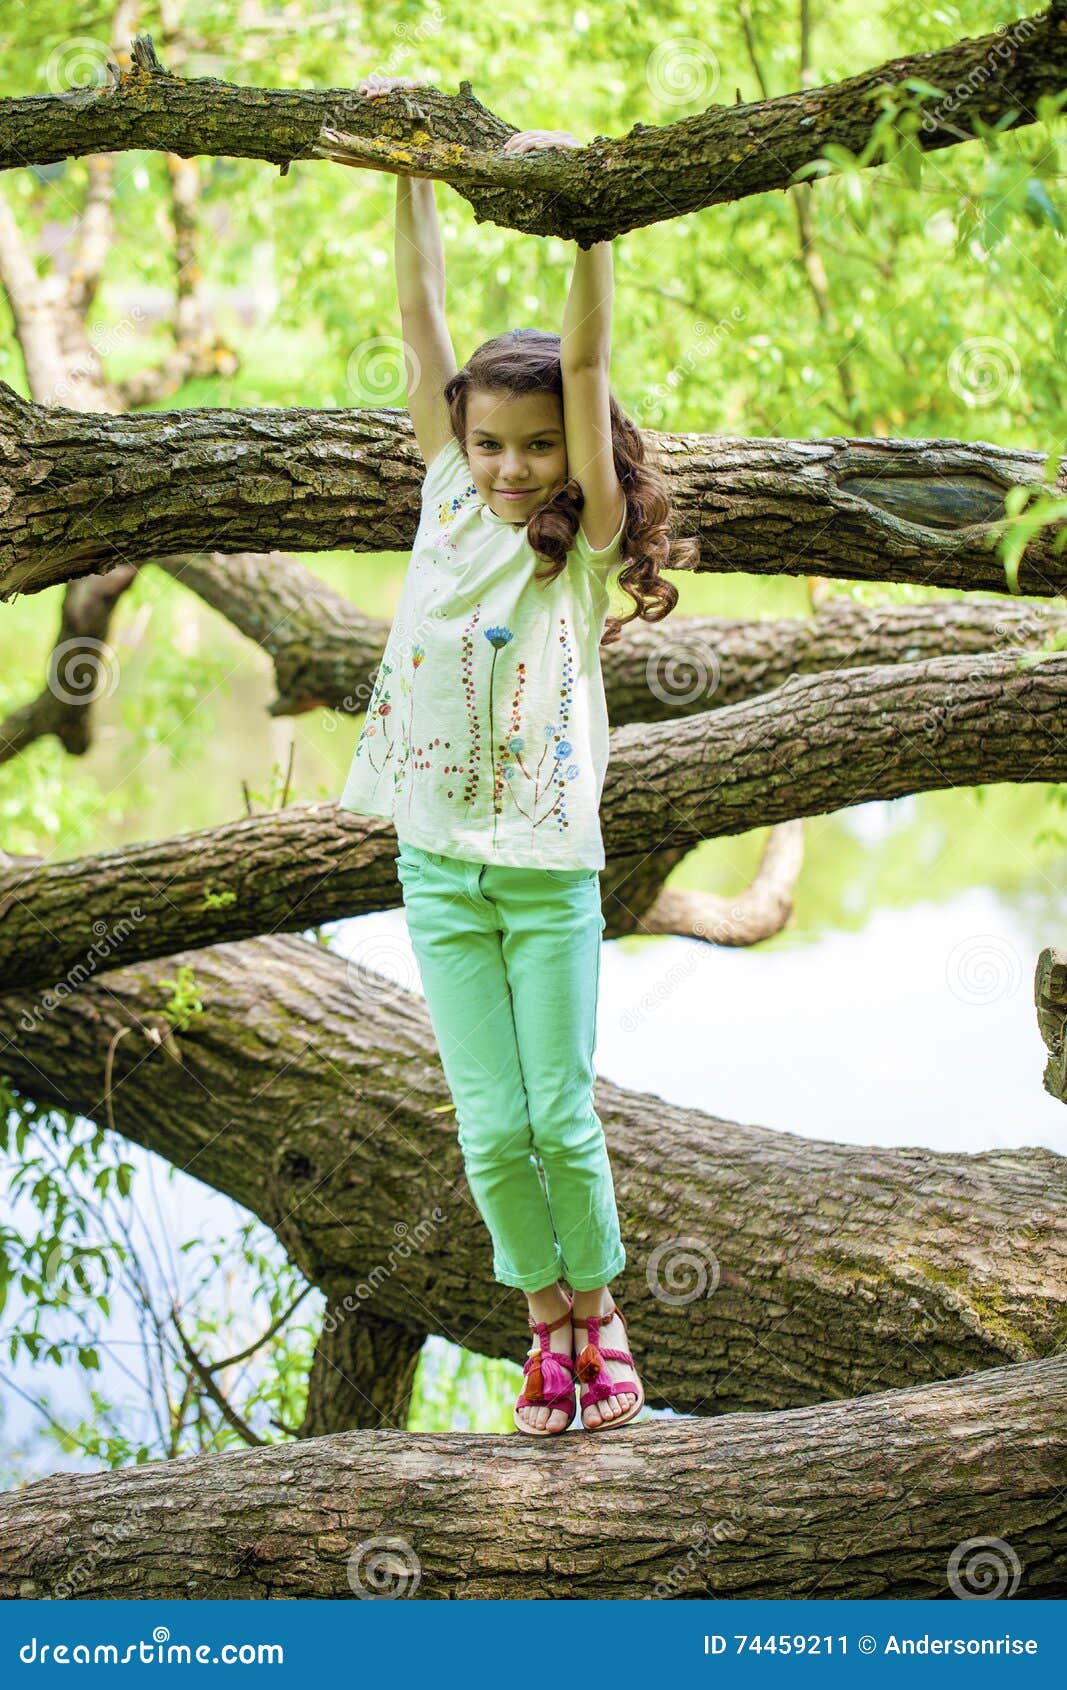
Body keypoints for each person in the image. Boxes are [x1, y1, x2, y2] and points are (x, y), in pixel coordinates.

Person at [339, 74, 695, 1434]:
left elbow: (591, 365)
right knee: (489, 1128)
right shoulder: (444, 482)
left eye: (532, 445)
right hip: (438, 866)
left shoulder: (581, 531)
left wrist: (592, 227)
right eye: (489, 440)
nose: (503, 466)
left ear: (574, 453)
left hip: (545, 874)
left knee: (560, 1115)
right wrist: (407, 169)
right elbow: (420, 309)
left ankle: (600, 1315)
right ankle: (538, 1327)